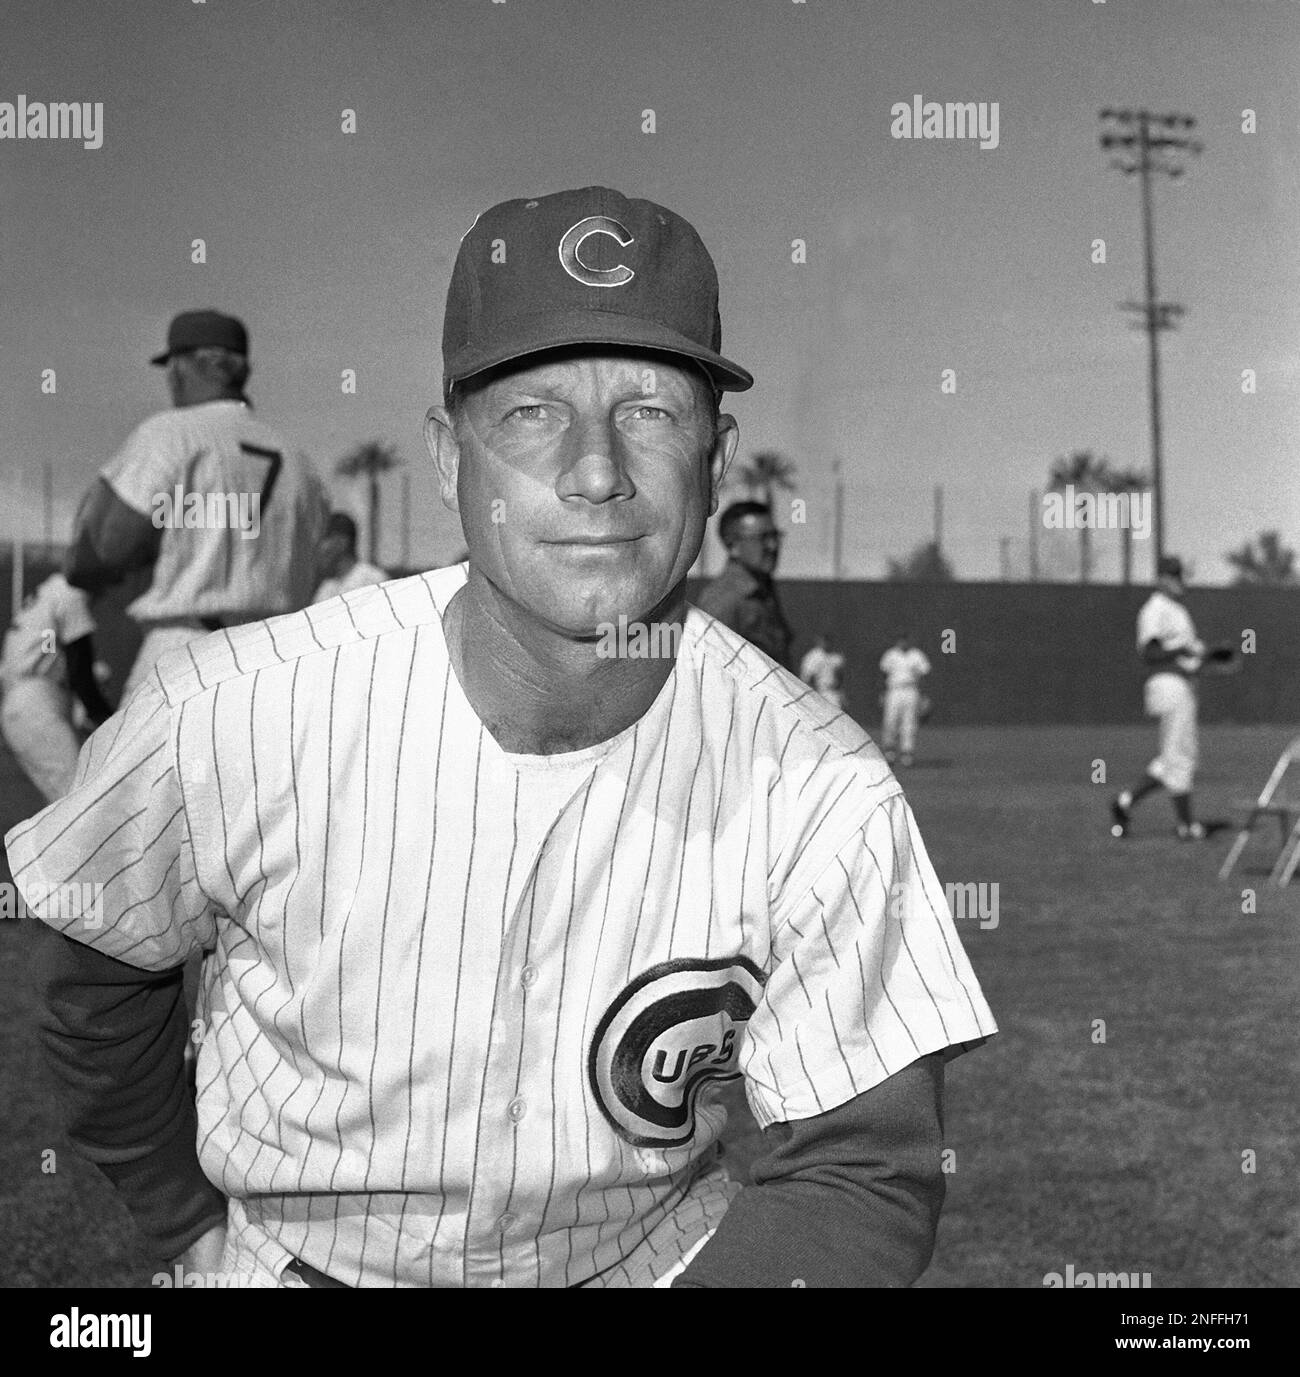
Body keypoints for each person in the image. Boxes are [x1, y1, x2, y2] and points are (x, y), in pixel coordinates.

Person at [5, 186, 995, 1290]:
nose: (594, 469)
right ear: (447, 459)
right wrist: (176, 1211)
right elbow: (96, 964)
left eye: (651, 411)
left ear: (716, 460)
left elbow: (861, 1168)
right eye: (530, 412)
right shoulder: (230, 702)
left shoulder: (825, 782)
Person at [64, 309, 329, 696]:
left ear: (191, 366)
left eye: (172, 365)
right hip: (275, 663)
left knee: (110, 759)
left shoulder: (170, 433)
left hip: (187, 650)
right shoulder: (301, 464)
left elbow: (100, 554)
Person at [1110, 555, 1209, 841]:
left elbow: (1187, 652)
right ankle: (1186, 825)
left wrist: (1209, 657)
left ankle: (1124, 802)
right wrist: (1182, 653)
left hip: (1183, 684)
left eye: (1180, 575)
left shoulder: (1178, 611)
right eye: (1173, 575)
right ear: (1161, 579)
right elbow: (1149, 652)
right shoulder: (1154, 609)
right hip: (1168, 684)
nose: (1180, 581)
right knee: (1181, 754)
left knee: (1172, 756)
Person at [0, 572, 114, 803]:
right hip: (34, 704)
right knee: (80, 802)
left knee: (67, 805)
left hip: (28, 701)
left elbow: (49, 640)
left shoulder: (52, 591)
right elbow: (80, 669)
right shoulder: (70, 592)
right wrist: (106, 718)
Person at [695, 500, 793, 669]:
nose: (773, 545)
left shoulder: (763, 590)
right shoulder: (723, 601)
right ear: (733, 545)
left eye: (774, 536)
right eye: (763, 538)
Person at [311, 511, 388, 604]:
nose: (320, 548)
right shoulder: (325, 589)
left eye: (324, 539)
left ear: (342, 542)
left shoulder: (372, 579)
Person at [879, 631, 931, 768]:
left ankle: (907, 754)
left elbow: (924, 675)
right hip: (894, 690)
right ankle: (889, 753)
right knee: (890, 720)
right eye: (900, 640)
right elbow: (883, 674)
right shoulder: (890, 655)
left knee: (909, 722)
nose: (903, 643)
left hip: (911, 690)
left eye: (905, 640)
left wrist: (924, 696)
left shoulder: (916, 655)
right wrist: (882, 693)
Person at [798, 632, 846, 710]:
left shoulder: (836, 657)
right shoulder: (813, 657)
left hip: (834, 694)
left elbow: (840, 678)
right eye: (824, 641)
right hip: (819, 693)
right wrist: (814, 696)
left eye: (829, 641)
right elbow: (807, 678)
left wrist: (842, 696)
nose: (826, 643)